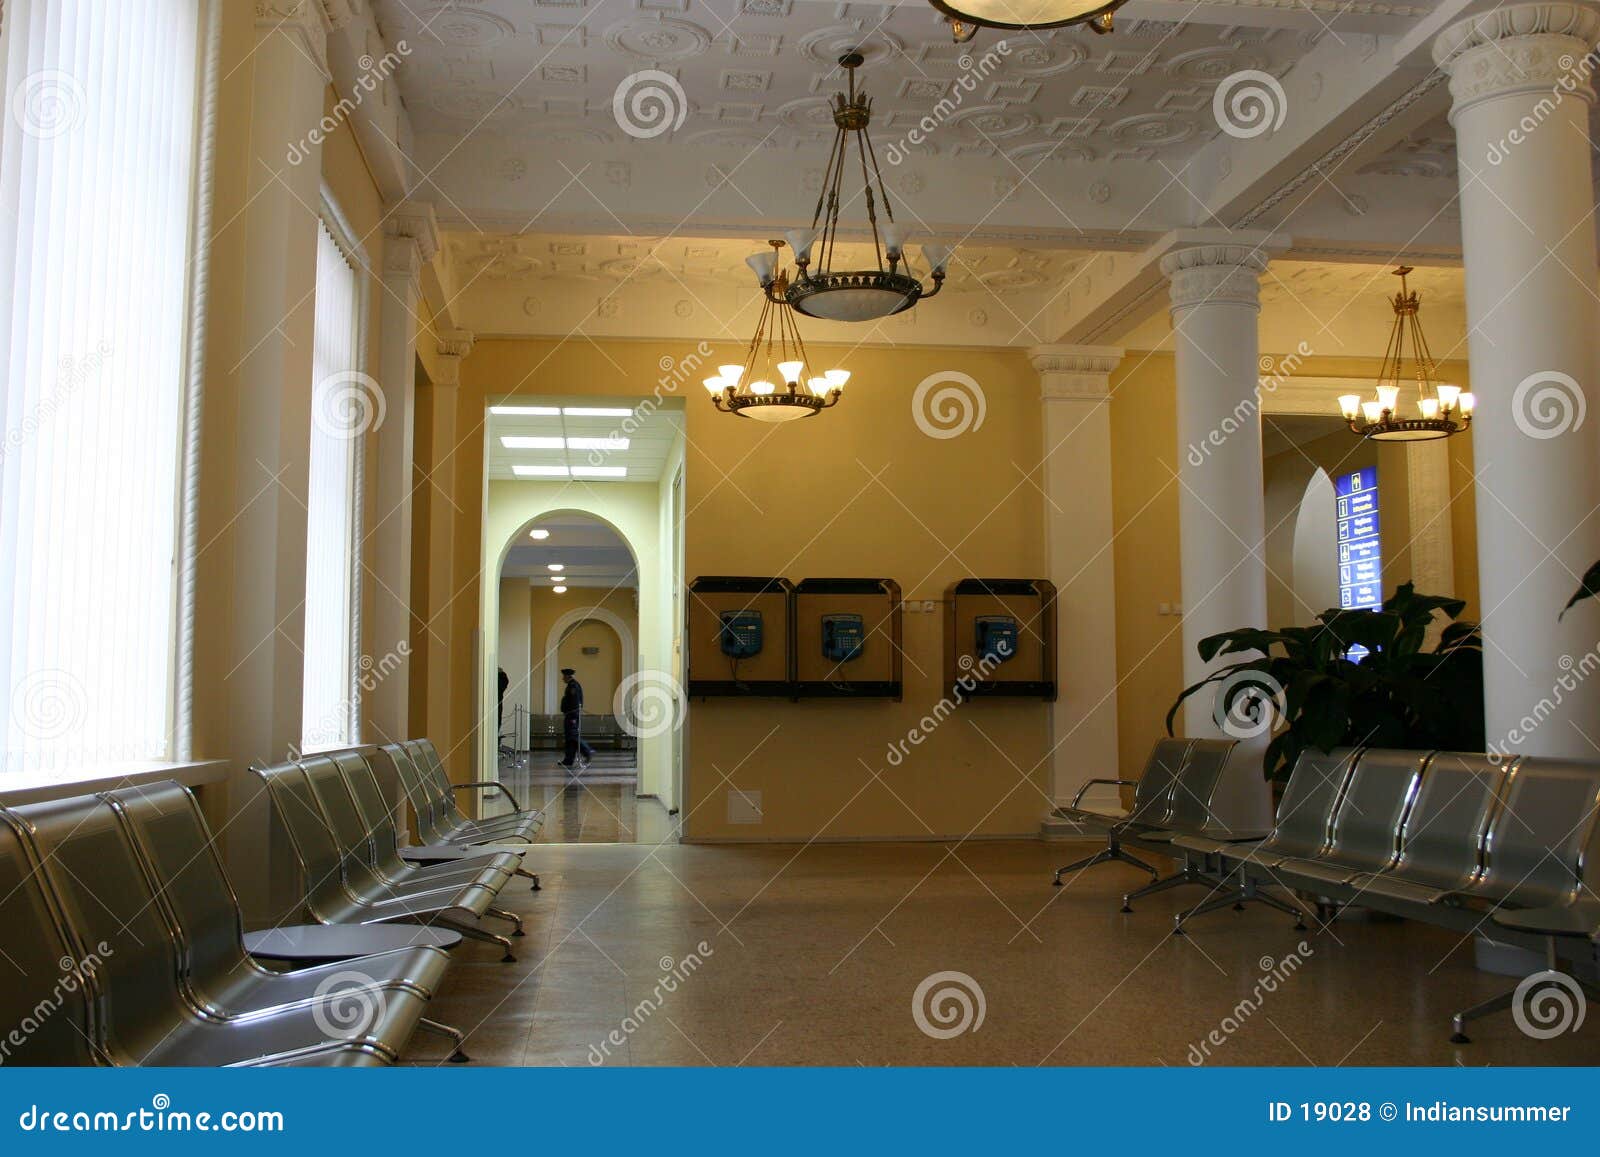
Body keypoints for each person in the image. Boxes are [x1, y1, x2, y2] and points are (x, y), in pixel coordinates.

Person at [557, 667, 595, 771]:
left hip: (572, 715)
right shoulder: (571, 685)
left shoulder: (573, 686)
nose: (562, 678)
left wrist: (572, 715)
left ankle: (587, 751)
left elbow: (574, 702)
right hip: (570, 714)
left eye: (563, 676)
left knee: (573, 736)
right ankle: (568, 759)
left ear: (568, 676)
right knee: (569, 738)